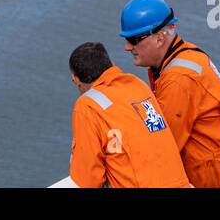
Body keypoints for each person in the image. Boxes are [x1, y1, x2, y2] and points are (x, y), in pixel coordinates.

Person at [118, 0, 220, 188]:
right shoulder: (185, 55)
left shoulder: (178, 78)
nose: (127, 47)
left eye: (134, 39)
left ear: (160, 37)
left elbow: (165, 145)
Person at [67, 41, 189, 188]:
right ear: (109, 65)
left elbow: (89, 179)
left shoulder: (87, 105)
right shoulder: (138, 86)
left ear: (76, 79)